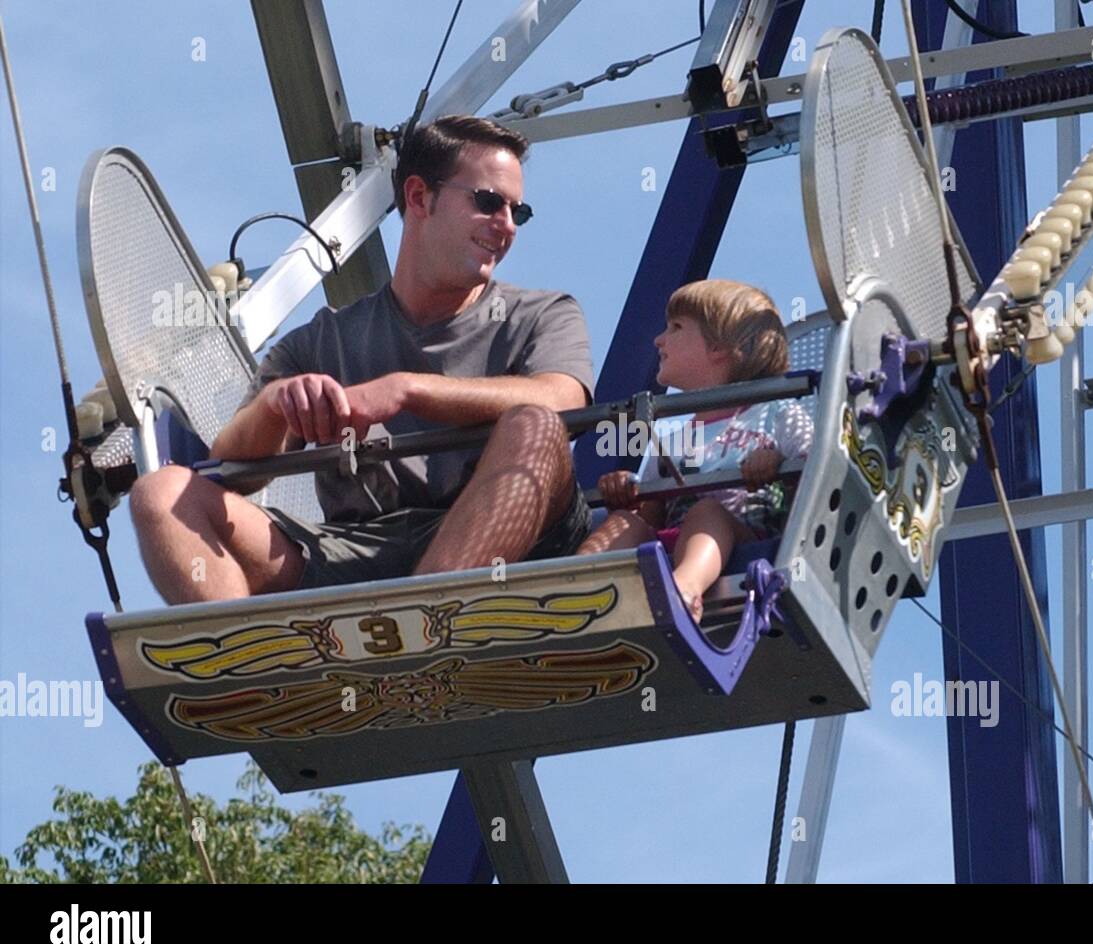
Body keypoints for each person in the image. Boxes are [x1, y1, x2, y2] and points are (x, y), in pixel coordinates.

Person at [129, 115, 595, 604]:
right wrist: (275, 405)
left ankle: (426, 623)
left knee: (536, 427)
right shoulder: (323, 340)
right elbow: (234, 466)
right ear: (418, 197)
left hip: (518, 549)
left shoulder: (544, 314)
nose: (505, 226)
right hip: (360, 554)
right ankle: (254, 668)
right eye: (488, 202)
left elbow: (561, 398)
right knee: (161, 495)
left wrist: (406, 389)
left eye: (516, 213)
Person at [577, 279, 813, 622]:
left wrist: (778, 462)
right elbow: (651, 519)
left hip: (743, 538)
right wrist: (628, 496)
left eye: (676, 328)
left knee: (707, 511)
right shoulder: (674, 439)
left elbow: (818, 474)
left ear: (719, 346)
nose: (659, 339)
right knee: (624, 523)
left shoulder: (776, 414)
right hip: (671, 543)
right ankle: (574, 588)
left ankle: (685, 591)